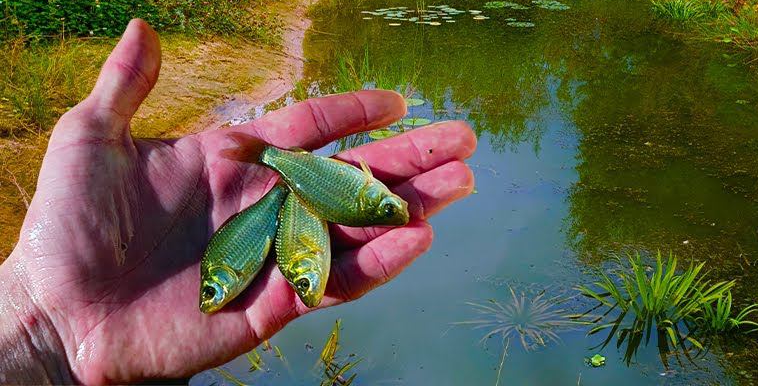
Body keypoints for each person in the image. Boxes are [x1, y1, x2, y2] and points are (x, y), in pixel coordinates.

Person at [0, 19, 476, 384]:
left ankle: (287, 174)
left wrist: (51, 340)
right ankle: (285, 172)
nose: (212, 301)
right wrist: (47, 328)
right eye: (213, 294)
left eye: (208, 293)